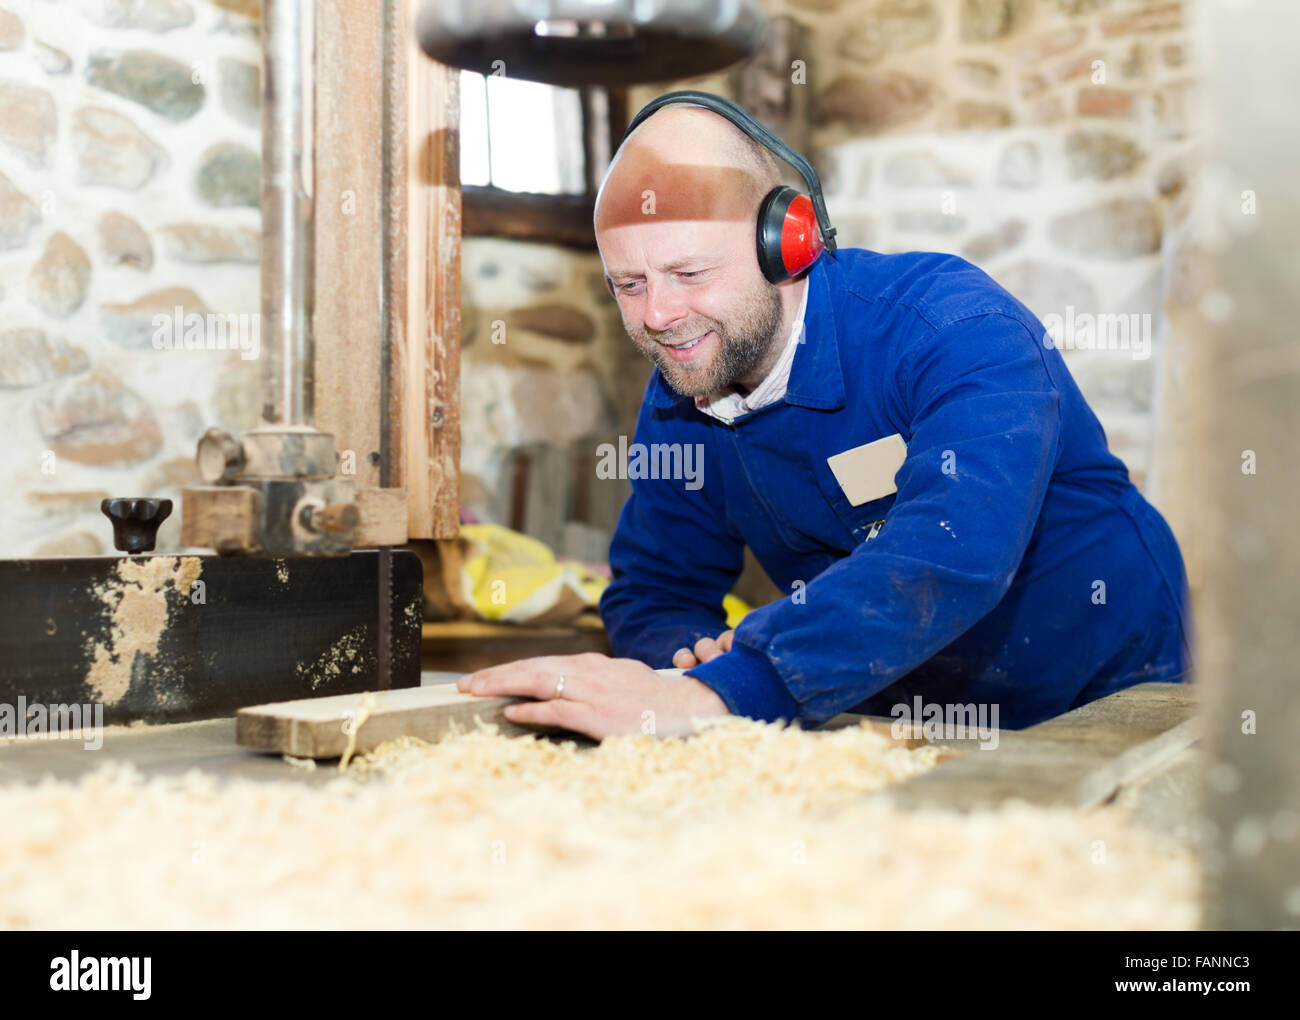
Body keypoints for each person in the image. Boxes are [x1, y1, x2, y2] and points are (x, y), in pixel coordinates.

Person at [459, 94, 1191, 740]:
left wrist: (733, 690)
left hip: (1093, 680)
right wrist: (684, 666)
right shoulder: (685, 394)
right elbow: (655, 588)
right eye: (629, 283)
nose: (659, 314)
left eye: (690, 273)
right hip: (891, 706)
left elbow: (949, 554)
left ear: (789, 242)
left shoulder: (953, 328)